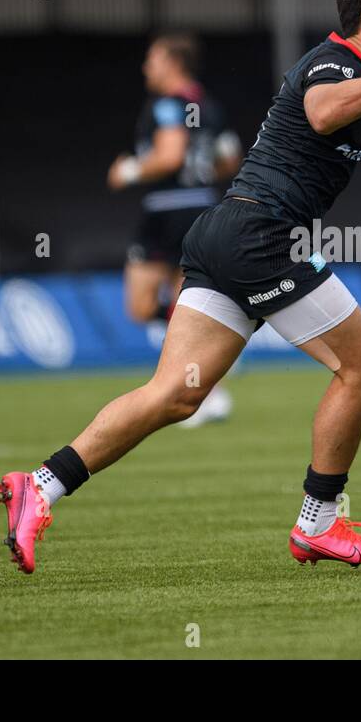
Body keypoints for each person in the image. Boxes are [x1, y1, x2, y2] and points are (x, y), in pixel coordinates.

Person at [0, 0, 361, 573]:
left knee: (175, 394)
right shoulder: (334, 65)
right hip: (263, 236)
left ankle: (41, 485)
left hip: (228, 233)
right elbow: (321, 111)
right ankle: (319, 524)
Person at [107, 34, 241, 428]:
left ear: (172, 63)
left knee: (141, 305)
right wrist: (196, 179)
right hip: (203, 205)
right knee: (188, 306)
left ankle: (200, 380)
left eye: (152, 59)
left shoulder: (167, 105)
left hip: (166, 212)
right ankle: (207, 386)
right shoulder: (209, 105)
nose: (147, 67)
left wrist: (127, 171)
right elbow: (230, 157)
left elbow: (169, 155)